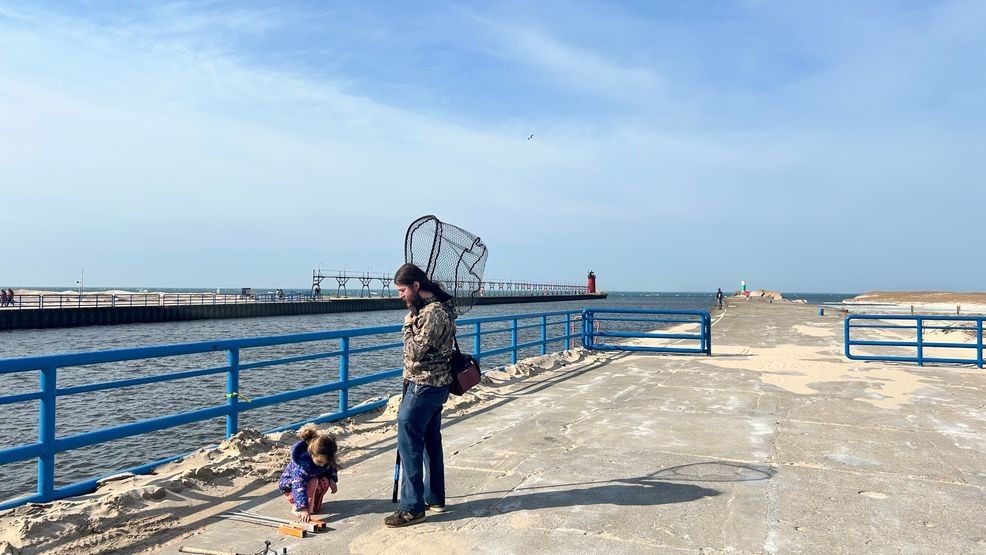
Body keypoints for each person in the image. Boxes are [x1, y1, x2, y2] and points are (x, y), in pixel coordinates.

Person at [384, 263, 456, 528]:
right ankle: (434, 497)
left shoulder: (432, 313)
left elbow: (414, 353)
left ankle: (411, 507)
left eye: (403, 290)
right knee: (429, 440)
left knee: (410, 442)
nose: (400, 295)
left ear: (416, 286)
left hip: (424, 385)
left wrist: (406, 327)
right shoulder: (437, 308)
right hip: (435, 386)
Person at [277, 423, 339, 523]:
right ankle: (297, 508)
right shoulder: (301, 467)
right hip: (292, 489)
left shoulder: (324, 461)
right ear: (311, 454)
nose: (322, 465)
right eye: (319, 462)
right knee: (313, 482)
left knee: (325, 481)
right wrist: (303, 508)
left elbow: (331, 467)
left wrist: (332, 479)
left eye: (325, 462)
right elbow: (298, 486)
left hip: (309, 482)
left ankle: (313, 506)